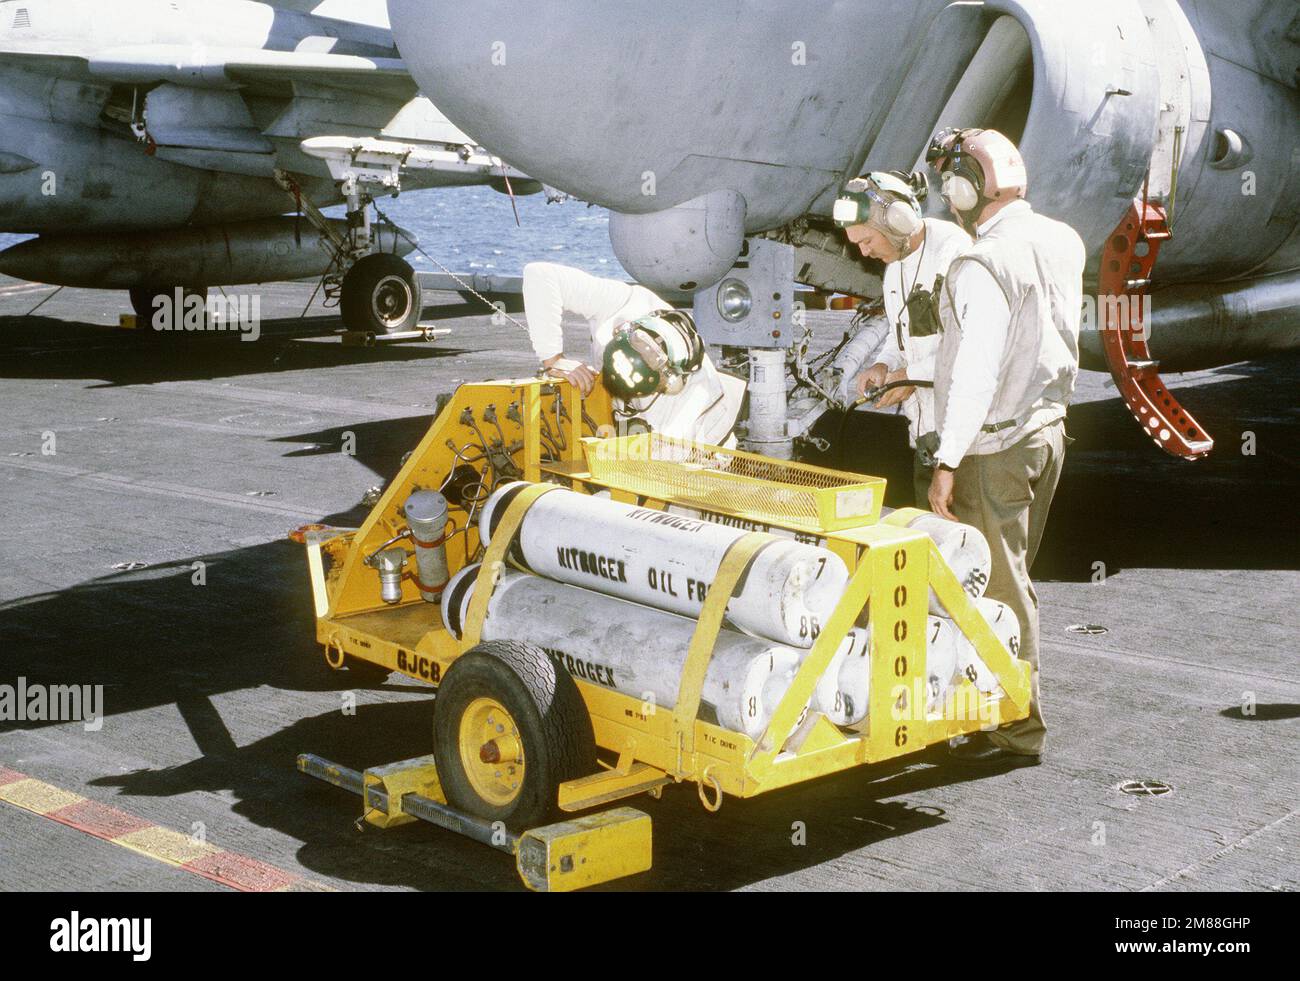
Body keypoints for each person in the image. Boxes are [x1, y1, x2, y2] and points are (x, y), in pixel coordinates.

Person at [924, 128, 1086, 767]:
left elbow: (976, 374)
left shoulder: (980, 263)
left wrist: (945, 462)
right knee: (1011, 576)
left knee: (999, 589)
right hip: (1048, 432)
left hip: (995, 448)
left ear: (967, 185)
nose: (946, 193)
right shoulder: (1061, 239)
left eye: (949, 180)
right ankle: (989, 708)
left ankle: (1017, 728)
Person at [833, 171, 972, 504]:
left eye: (867, 241)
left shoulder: (955, 255)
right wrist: (883, 365)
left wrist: (908, 377)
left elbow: (968, 350)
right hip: (926, 441)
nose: (864, 253)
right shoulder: (895, 264)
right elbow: (901, 336)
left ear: (898, 221)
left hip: (964, 447)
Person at [521, 262, 744, 445]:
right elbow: (540, 275)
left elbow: (654, 484)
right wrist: (553, 359)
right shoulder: (625, 303)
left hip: (702, 454)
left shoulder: (683, 411)